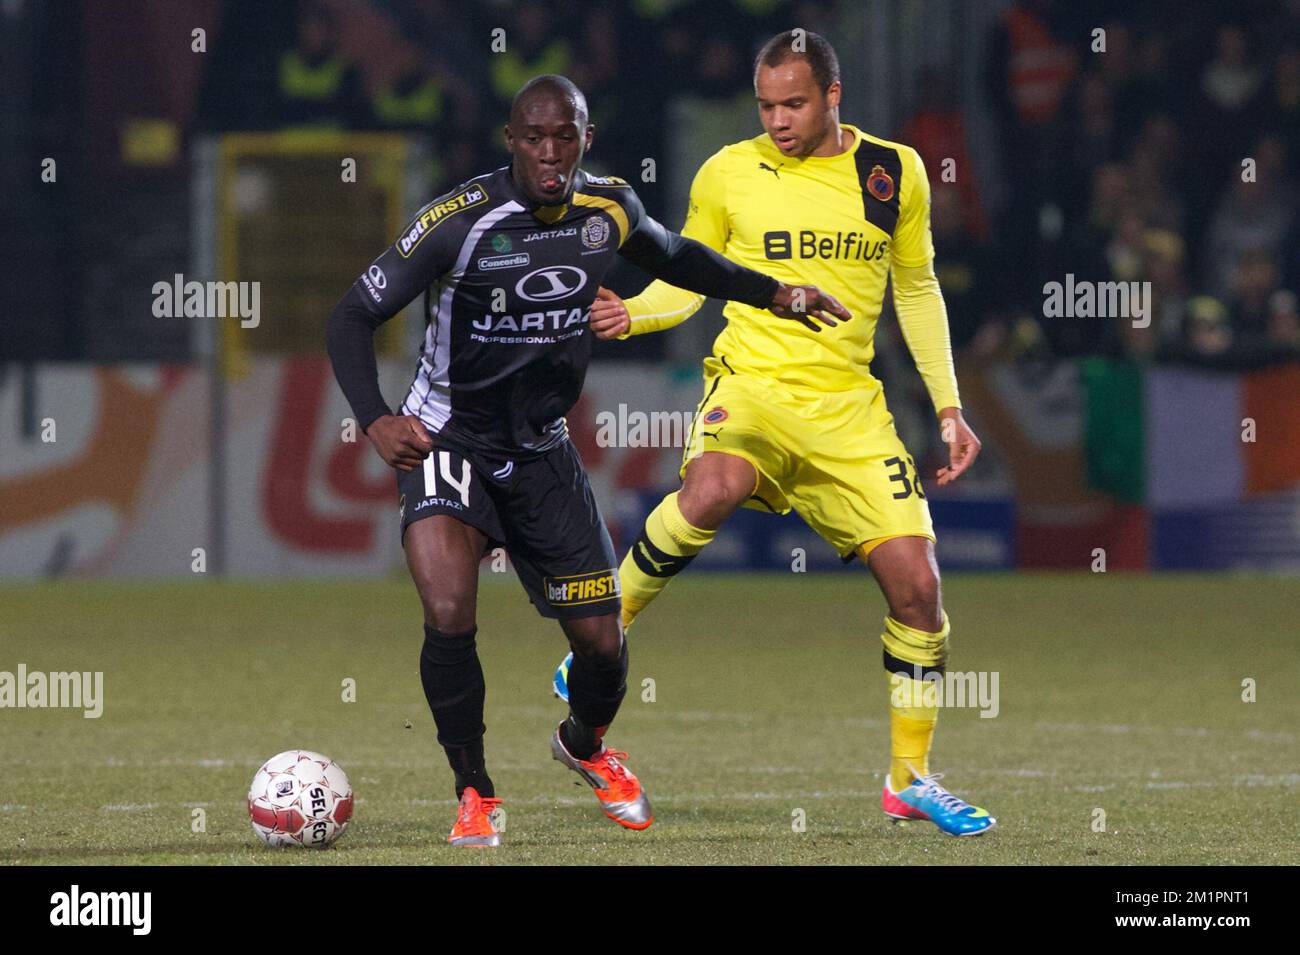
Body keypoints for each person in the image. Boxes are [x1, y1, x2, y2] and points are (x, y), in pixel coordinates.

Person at [326, 74, 848, 847]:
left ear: (586, 138)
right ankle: (474, 790)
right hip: (450, 441)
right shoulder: (459, 222)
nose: (548, 153)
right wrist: (373, 419)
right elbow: (352, 315)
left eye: (562, 136)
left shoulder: (608, 208)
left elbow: (678, 257)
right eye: (533, 137)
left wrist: (776, 293)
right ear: (510, 141)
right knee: (447, 610)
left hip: (541, 452)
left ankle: (585, 744)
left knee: (603, 645)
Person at [551, 32, 996, 836]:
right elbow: (689, 279)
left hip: (849, 410)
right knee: (712, 486)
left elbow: (918, 287)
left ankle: (910, 779)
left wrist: (950, 406)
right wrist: (633, 312)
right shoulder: (729, 170)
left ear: (834, 96)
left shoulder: (893, 173)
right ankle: (603, 629)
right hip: (752, 387)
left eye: (793, 103)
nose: (778, 119)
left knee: (920, 590)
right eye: (766, 104)